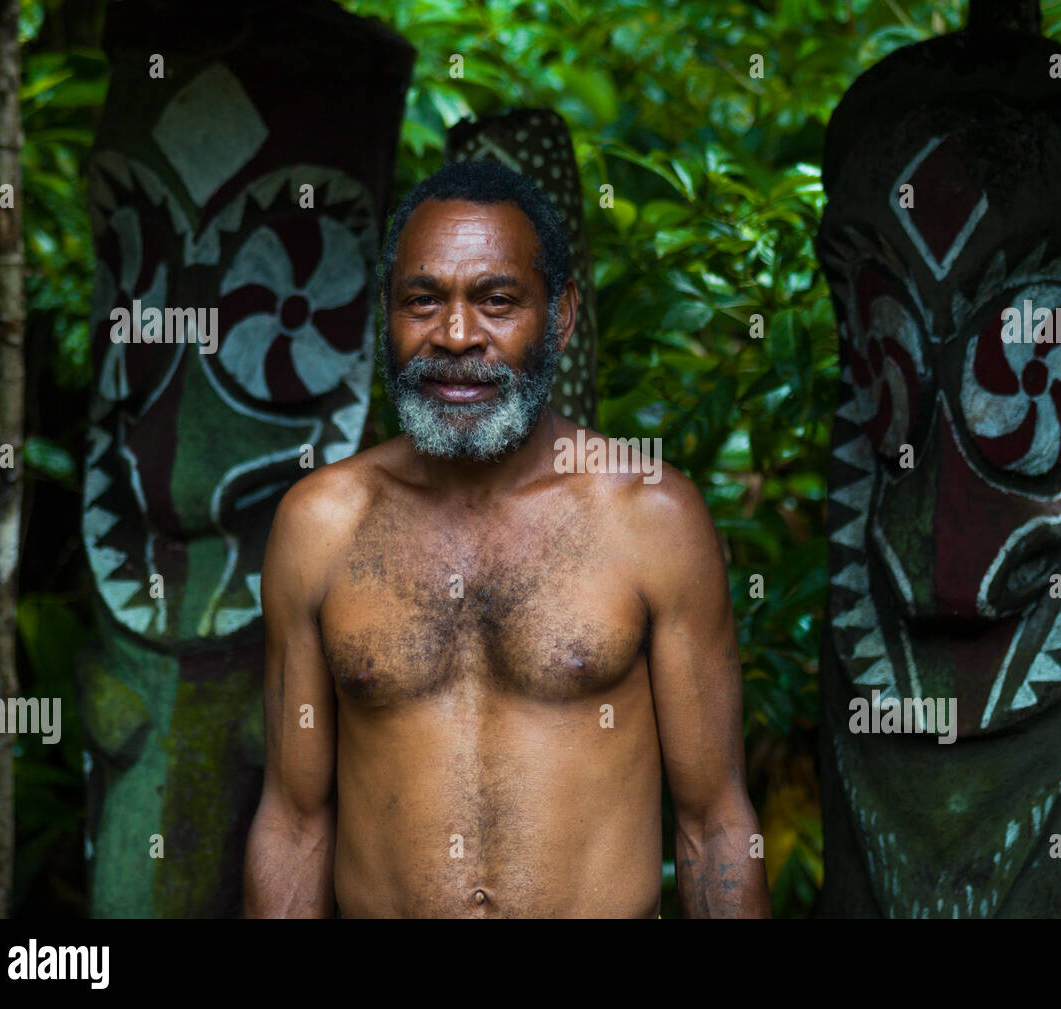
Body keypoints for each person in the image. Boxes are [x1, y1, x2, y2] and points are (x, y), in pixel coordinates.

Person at [243, 159, 770, 918]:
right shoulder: (322, 524)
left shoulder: (651, 516)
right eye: (422, 301)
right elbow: (293, 821)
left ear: (558, 316)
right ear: (385, 315)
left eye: (496, 300)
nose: (457, 335)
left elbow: (715, 824)